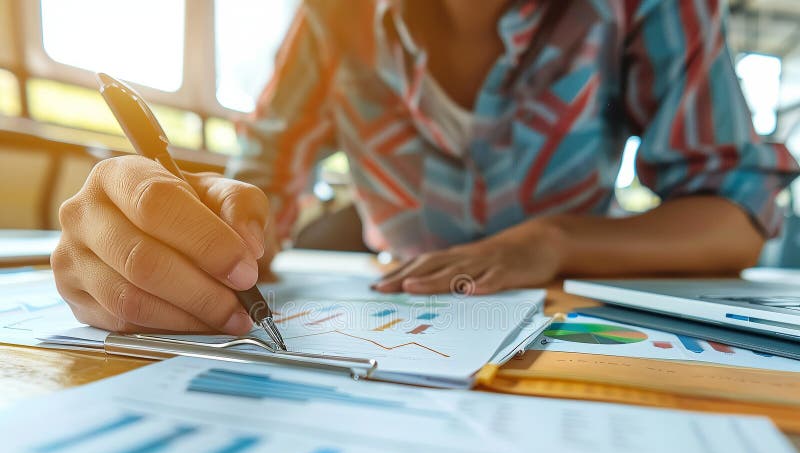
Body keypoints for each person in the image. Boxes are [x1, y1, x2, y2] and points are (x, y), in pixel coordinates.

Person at [52, 0, 799, 336]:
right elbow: (258, 190)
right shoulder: (328, 17)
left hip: (566, 316)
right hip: (395, 306)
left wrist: (553, 241)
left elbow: (733, 212)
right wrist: (191, 223)